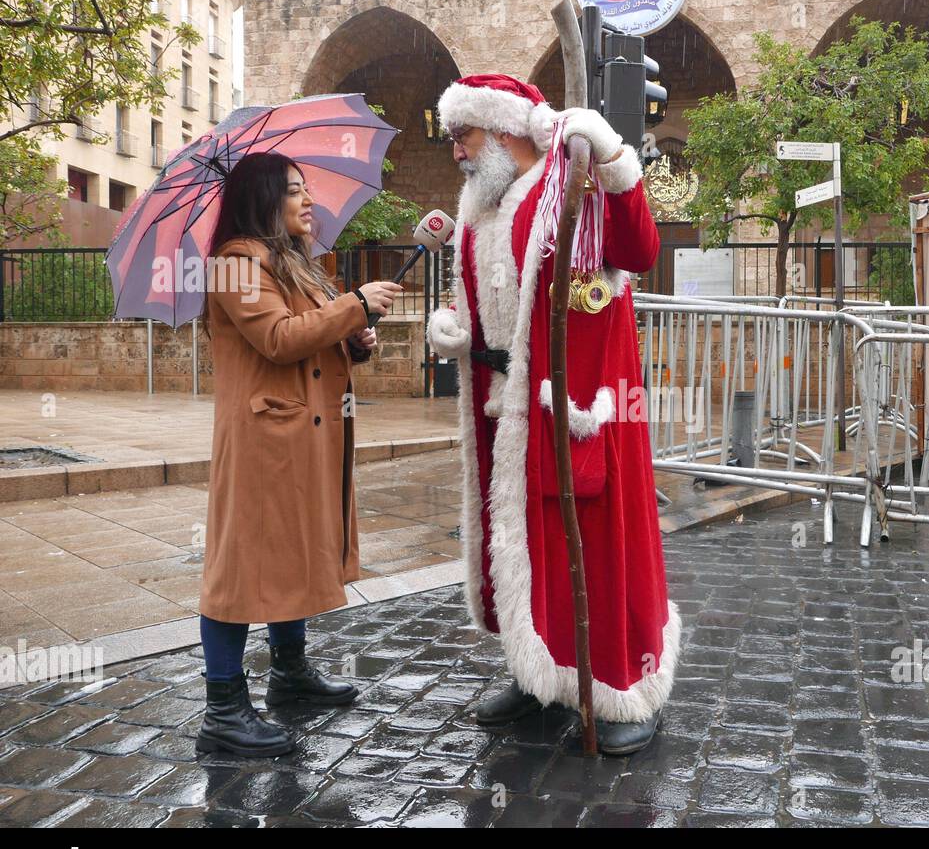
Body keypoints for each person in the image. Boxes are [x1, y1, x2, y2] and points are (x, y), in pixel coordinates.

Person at [427, 74, 677, 755]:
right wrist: (454, 327)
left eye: (463, 136)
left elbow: (638, 252)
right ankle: (541, 674)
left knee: (596, 546)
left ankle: (623, 685)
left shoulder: (573, 182)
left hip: (579, 404)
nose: (456, 153)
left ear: (506, 129)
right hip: (507, 413)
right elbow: (489, 306)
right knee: (530, 550)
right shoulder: (483, 209)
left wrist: (615, 159)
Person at [196, 151, 400, 757]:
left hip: (302, 438)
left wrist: (354, 340)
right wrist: (354, 304)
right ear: (262, 199)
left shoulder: (297, 265)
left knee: (289, 557)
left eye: (307, 190)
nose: (308, 201)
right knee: (238, 570)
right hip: (264, 443)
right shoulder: (234, 263)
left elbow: (317, 336)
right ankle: (224, 709)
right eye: (293, 191)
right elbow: (279, 340)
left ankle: (290, 673)